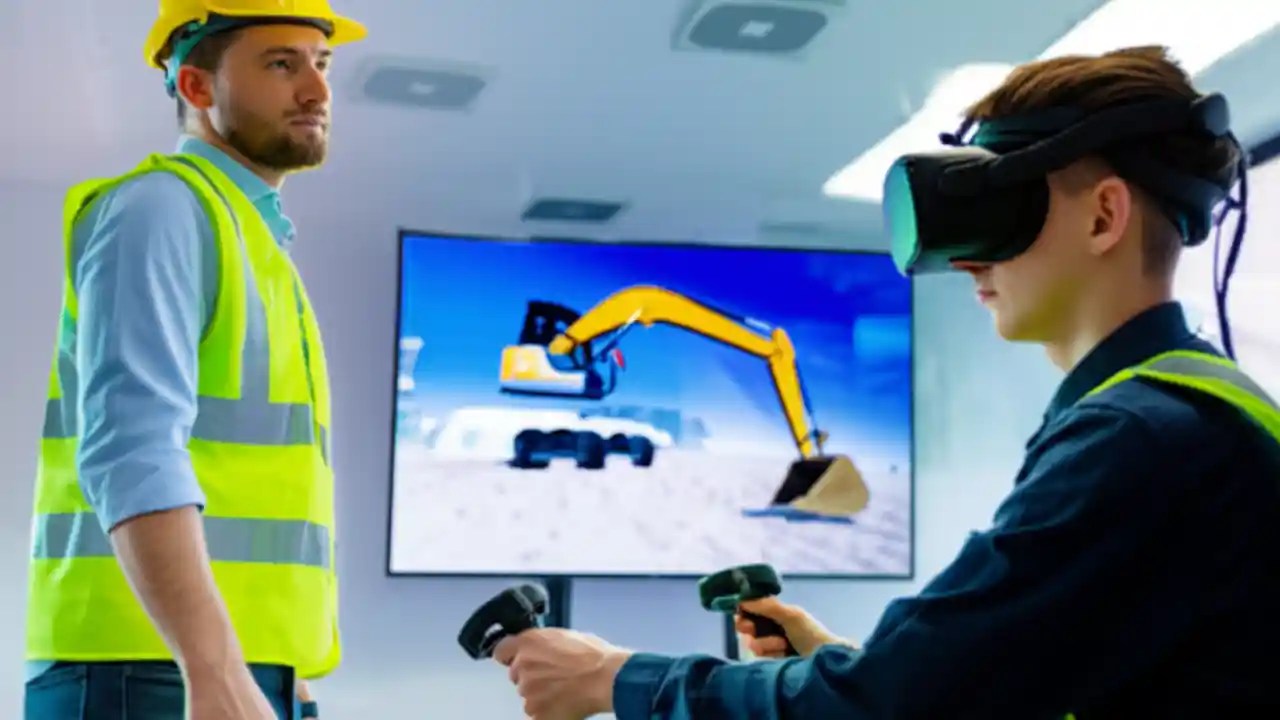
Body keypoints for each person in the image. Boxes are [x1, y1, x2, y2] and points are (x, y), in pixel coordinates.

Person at [491, 46, 1280, 719]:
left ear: (1104, 217)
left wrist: (614, 679)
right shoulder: (1194, 406)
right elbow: (1017, 685)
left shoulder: (1138, 434)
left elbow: (893, 708)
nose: (969, 258)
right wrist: (849, 664)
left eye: (1002, 210)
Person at [23, 2, 366, 718]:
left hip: (217, 667)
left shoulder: (250, 239)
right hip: (147, 672)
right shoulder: (162, 210)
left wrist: (282, 670)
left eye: (321, 63)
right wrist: (213, 669)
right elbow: (133, 450)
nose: (317, 90)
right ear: (198, 87)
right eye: (282, 63)